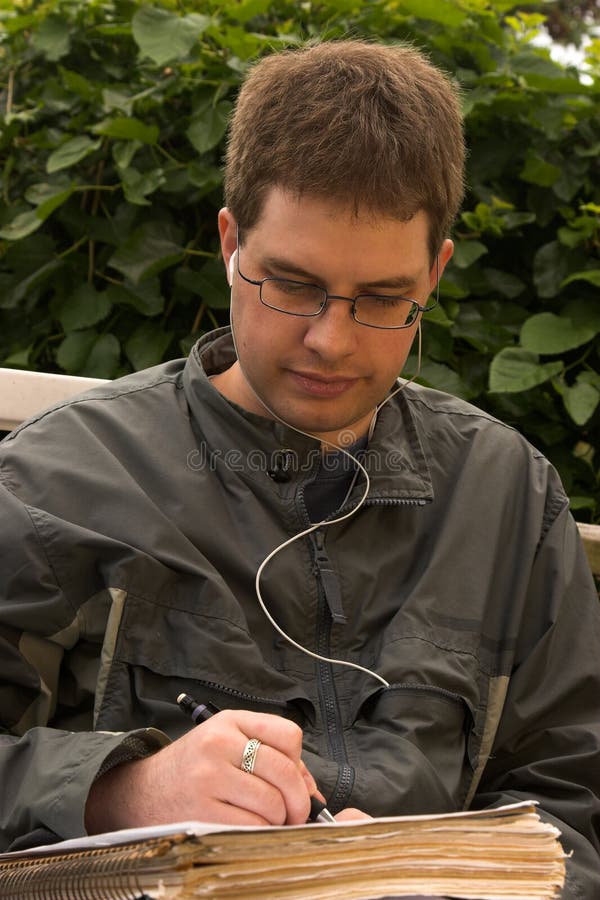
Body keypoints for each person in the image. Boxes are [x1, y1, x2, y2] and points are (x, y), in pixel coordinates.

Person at [0, 38, 598, 898]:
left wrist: (434, 878)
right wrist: (116, 790)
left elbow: (575, 807)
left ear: (436, 271)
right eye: (293, 284)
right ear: (230, 243)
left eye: (386, 300)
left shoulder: (507, 499)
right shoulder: (59, 478)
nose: (332, 339)